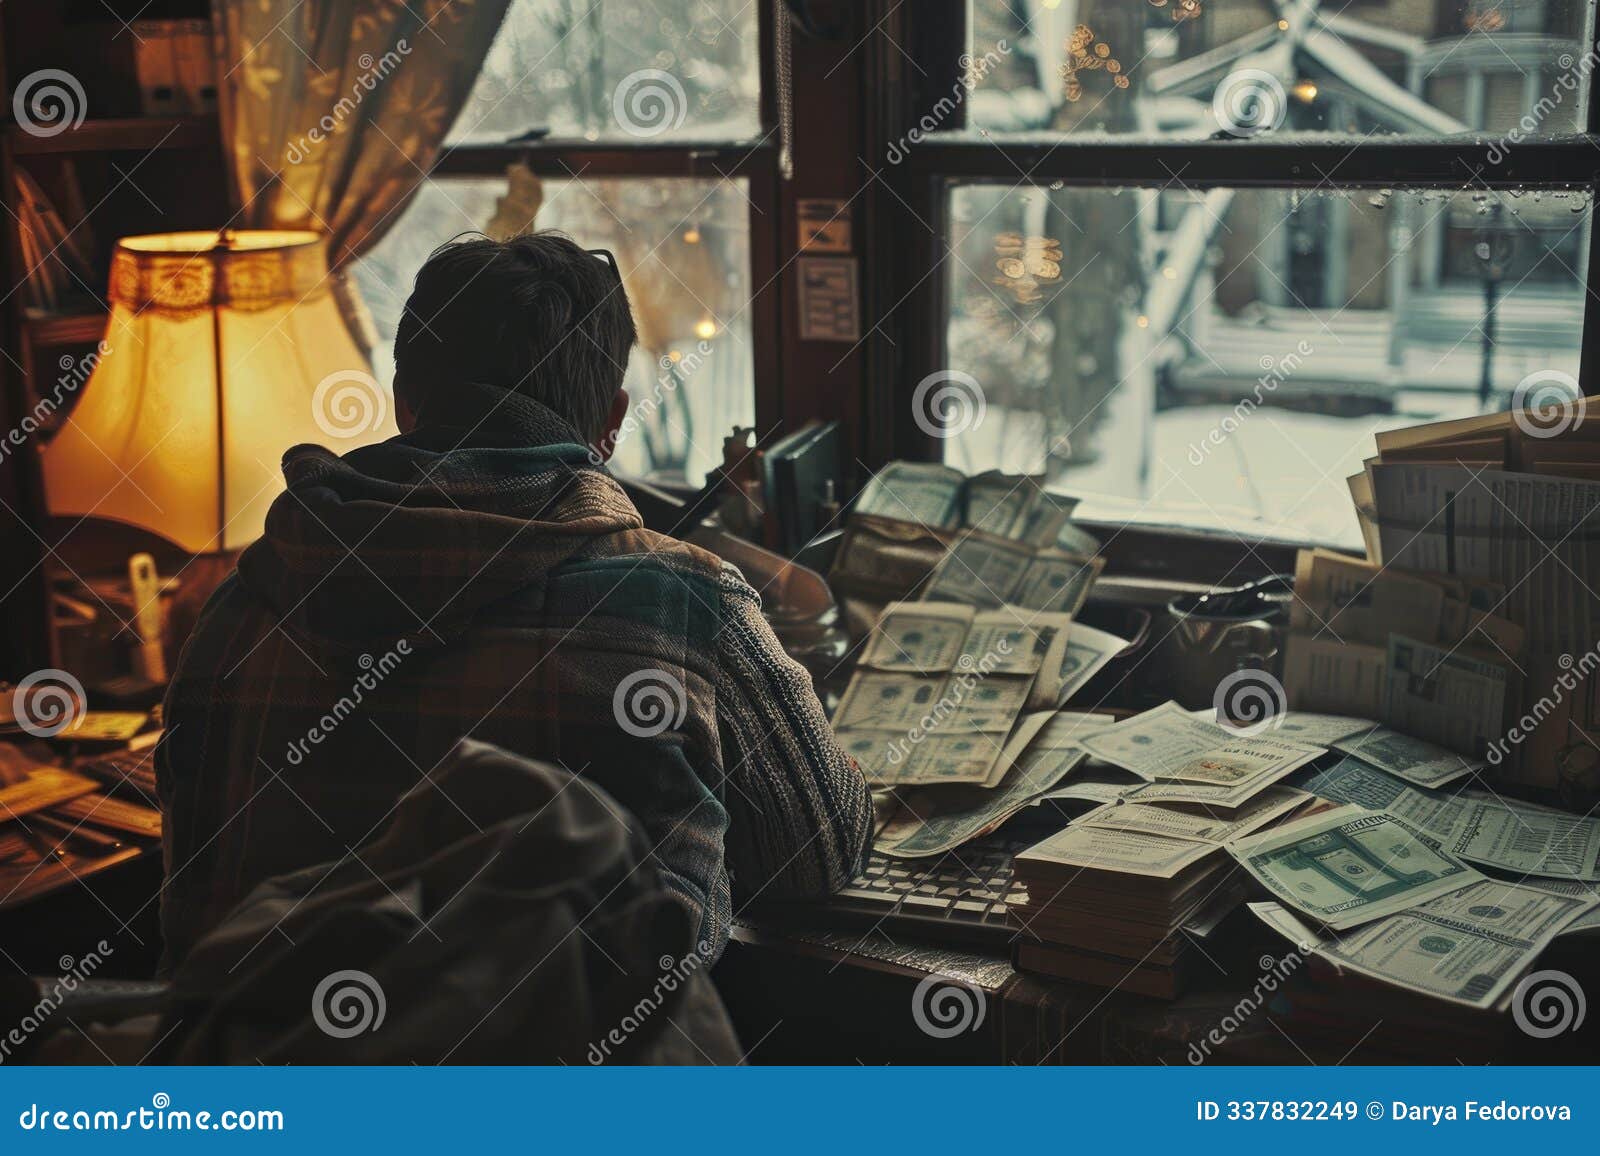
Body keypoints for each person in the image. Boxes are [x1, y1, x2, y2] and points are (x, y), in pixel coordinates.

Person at [156, 231, 872, 968]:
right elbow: (820, 854)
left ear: (405, 403)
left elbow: (193, 889)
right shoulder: (678, 598)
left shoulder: (239, 603)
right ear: (613, 419)